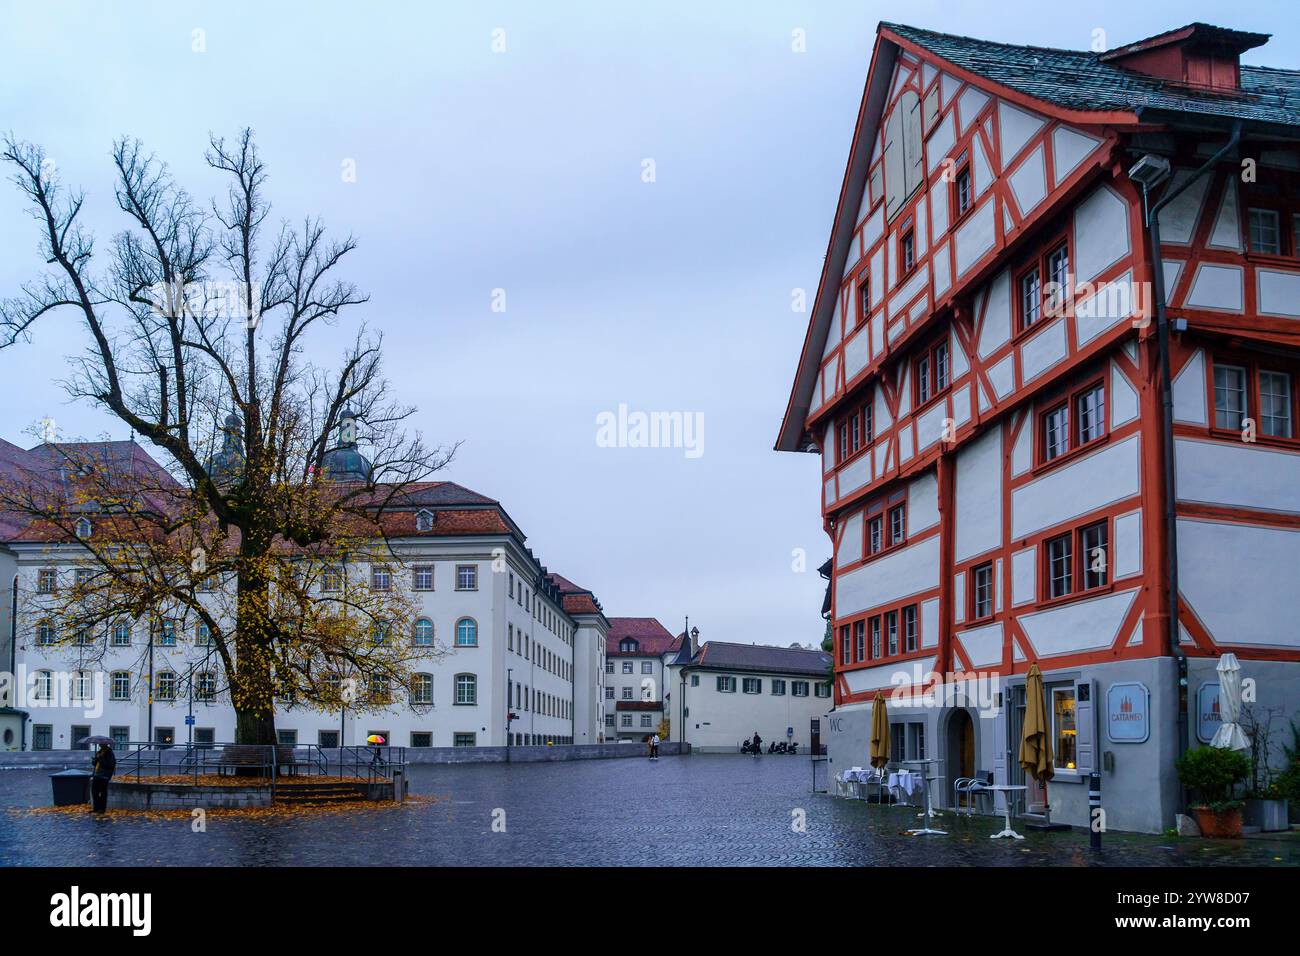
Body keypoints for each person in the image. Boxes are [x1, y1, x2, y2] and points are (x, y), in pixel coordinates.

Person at [90, 743, 115, 814]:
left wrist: (100, 759)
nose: (100, 746)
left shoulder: (109, 753)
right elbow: (95, 764)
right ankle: (96, 808)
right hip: (97, 774)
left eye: (101, 745)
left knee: (103, 792)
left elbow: (110, 765)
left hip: (105, 775)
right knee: (94, 792)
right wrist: (94, 760)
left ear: (105, 745)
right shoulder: (99, 752)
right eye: (99, 745)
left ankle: (102, 809)